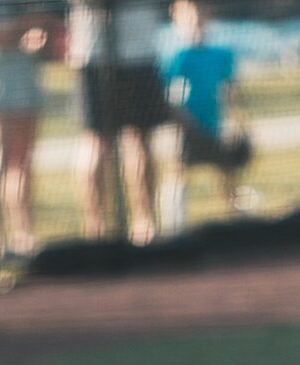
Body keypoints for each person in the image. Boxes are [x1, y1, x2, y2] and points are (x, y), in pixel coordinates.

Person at [67, 0, 169, 244]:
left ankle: (145, 224)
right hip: (95, 54)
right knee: (97, 142)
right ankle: (97, 230)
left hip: (139, 52)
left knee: (142, 140)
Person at [0, 0, 53, 265]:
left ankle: (24, 237)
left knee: (23, 162)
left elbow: (41, 25)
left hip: (24, 74)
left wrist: (36, 31)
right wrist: (25, 24)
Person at [161, 0, 251, 228]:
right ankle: (175, 225)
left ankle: (235, 220)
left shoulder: (221, 55)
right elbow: (167, 96)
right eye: (189, 16)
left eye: (200, 15)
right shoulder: (176, 56)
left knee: (228, 170)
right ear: (176, 18)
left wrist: (237, 122)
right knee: (178, 172)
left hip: (214, 126)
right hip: (188, 129)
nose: (196, 21)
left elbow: (229, 92)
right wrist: (184, 121)